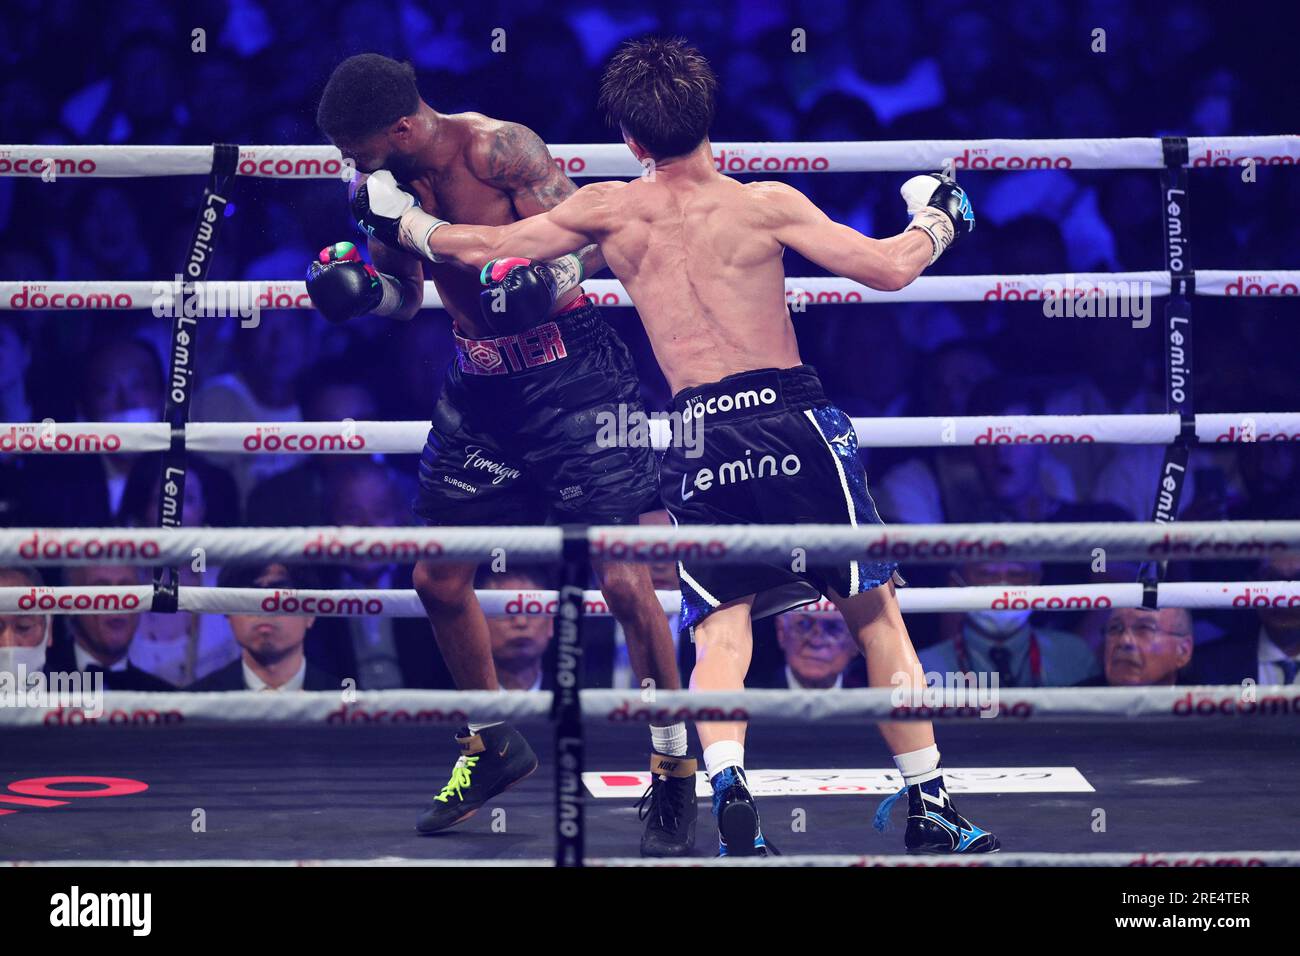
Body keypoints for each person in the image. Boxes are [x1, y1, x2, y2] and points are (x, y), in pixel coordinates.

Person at [363, 38, 998, 856]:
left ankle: (729, 782)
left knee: (721, 627)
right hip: (792, 420)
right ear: (710, 119)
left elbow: (483, 251)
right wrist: (940, 216)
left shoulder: (610, 211)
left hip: (699, 430)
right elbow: (888, 271)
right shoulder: (766, 202)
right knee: (873, 613)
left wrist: (404, 221)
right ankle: (930, 803)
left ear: (629, 139)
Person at [307, 53, 690, 856]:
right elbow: (407, 298)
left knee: (623, 577)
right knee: (437, 579)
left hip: (576, 373)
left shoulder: (500, 149)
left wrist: (545, 277)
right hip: (482, 390)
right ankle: (491, 744)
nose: (351, 164)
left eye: (359, 147)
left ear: (403, 126)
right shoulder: (379, 191)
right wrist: (356, 296)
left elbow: (596, 242)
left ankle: (674, 762)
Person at [189, 563, 341, 692]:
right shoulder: (192, 704)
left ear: (310, 614)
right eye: (249, 596)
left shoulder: (347, 702)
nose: (265, 606)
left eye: (281, 595)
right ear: (228, 613)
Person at [46, 565, 173, 691]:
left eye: (127, 591)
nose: (116, 603)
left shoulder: (166, 700)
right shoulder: (37, 689)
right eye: (101, 591)